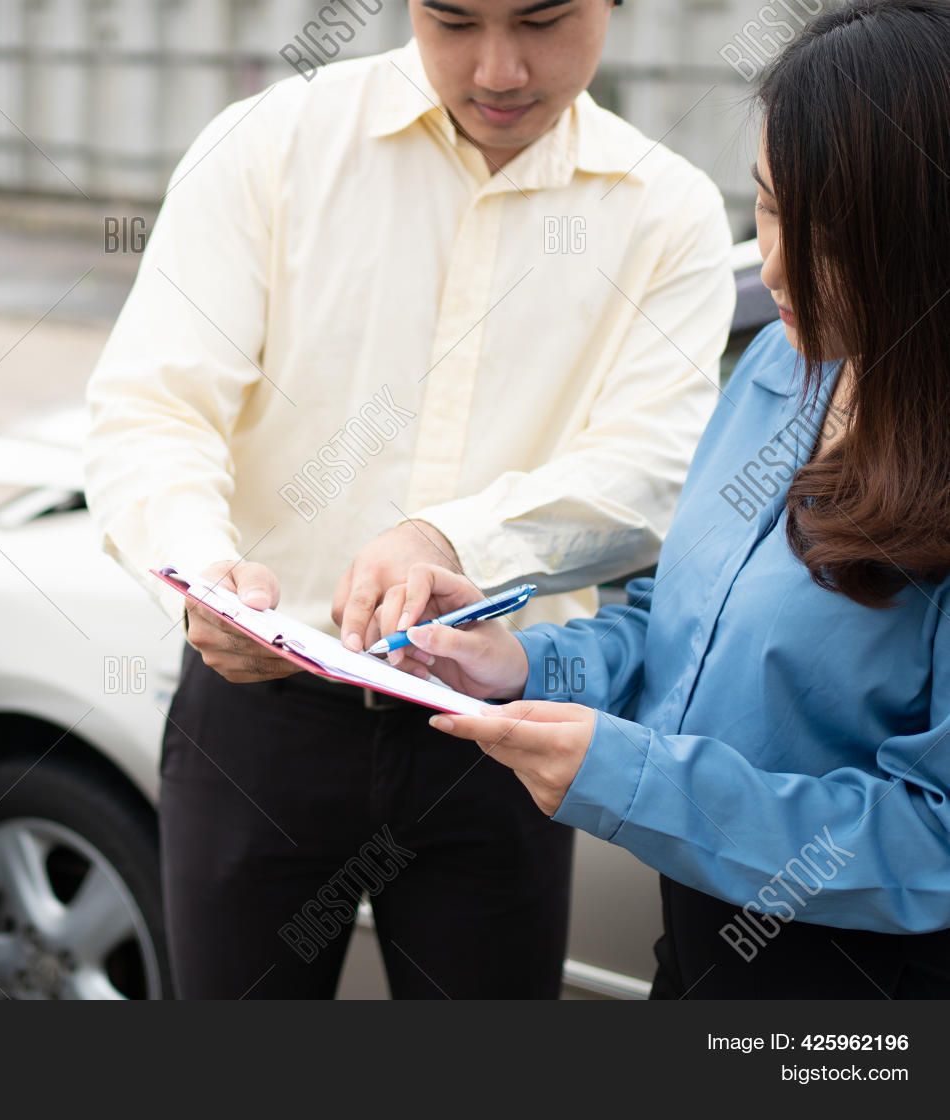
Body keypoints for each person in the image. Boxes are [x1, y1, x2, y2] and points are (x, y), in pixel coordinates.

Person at [84, 0, 736, 998]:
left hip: (501, 729)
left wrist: (450, 535)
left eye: (543, 20)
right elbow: (155, 401)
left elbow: (659, 465)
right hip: (265, 713)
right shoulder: (272, 143)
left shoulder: (666, 210)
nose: (500, 69)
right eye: (454, 21)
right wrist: (202, 569)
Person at [391, 0, 950, 998]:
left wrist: (636, 782)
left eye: (831, 234)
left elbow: (933, 835)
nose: (774, 264)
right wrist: (528, 661)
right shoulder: (788, 366)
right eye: (771, 207)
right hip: (698, 945)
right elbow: (685, 622)